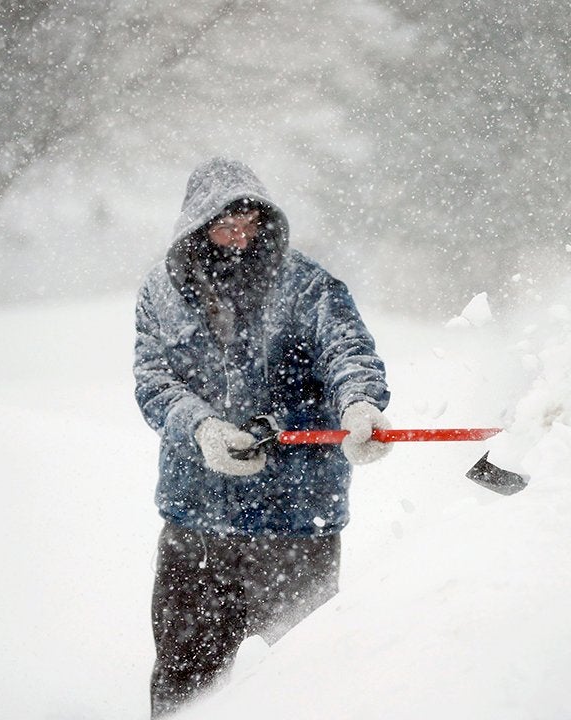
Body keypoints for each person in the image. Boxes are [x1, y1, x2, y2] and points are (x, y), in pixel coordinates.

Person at [133, 157, 392, 716]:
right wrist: (201, 428)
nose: (239, 236)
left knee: (306, 683)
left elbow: (348, 351)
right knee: (183, 684)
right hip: (196, 524)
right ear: (197, 227)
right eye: (225, 225)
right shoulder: (160, 293)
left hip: (297, 522)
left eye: (250, 222)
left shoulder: (308, 286)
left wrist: (360, 405)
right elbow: (154, 382)